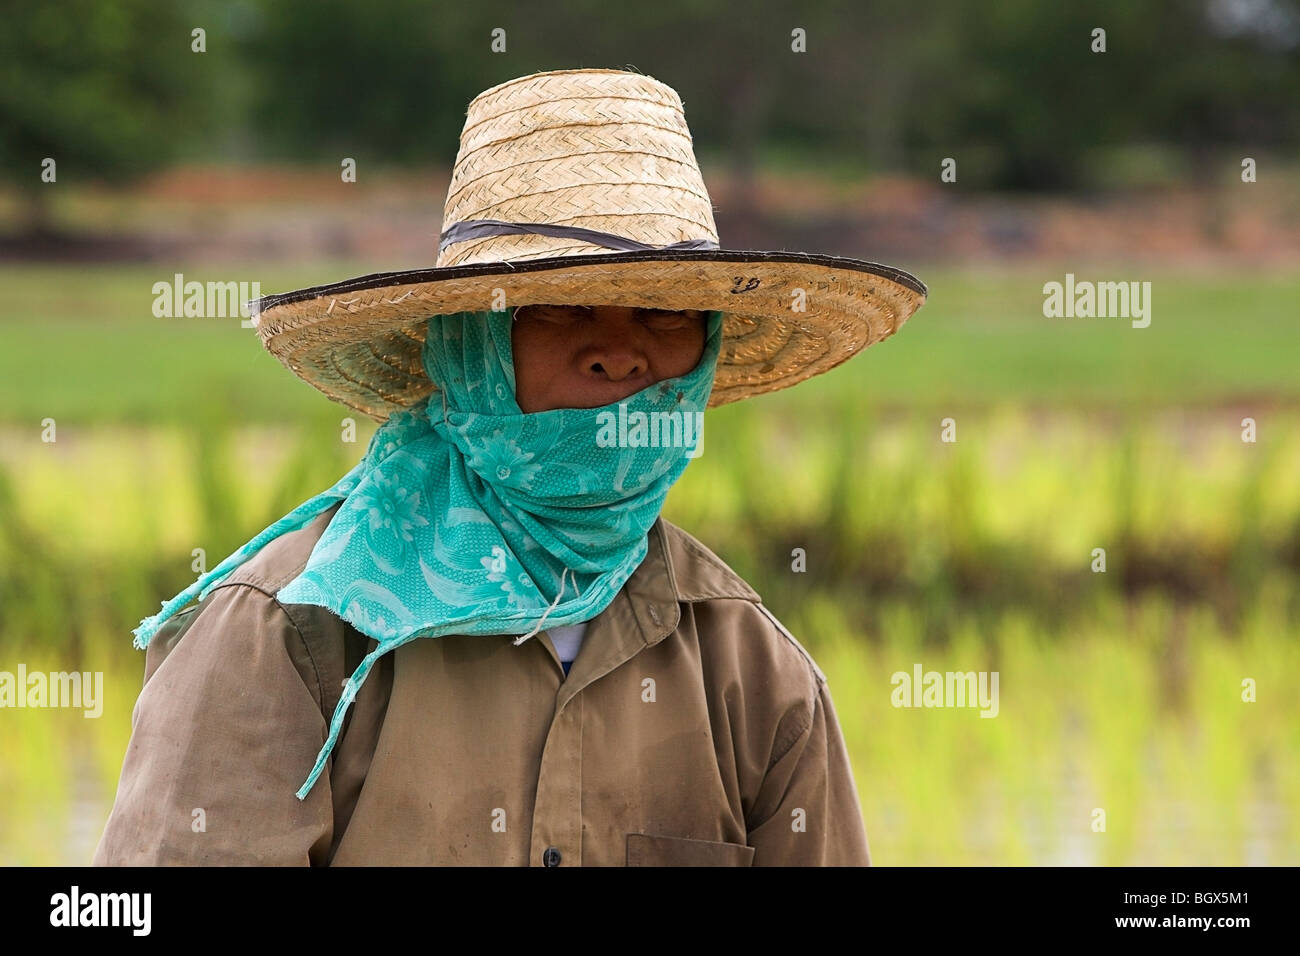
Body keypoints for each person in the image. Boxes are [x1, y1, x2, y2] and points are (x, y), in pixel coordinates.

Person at [92, 68, 926, 866]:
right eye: (558, 307)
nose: (618, 353)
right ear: (470, 347)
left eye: (665, 313)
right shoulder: (292, 635)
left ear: (704, 354)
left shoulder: (755, 679)